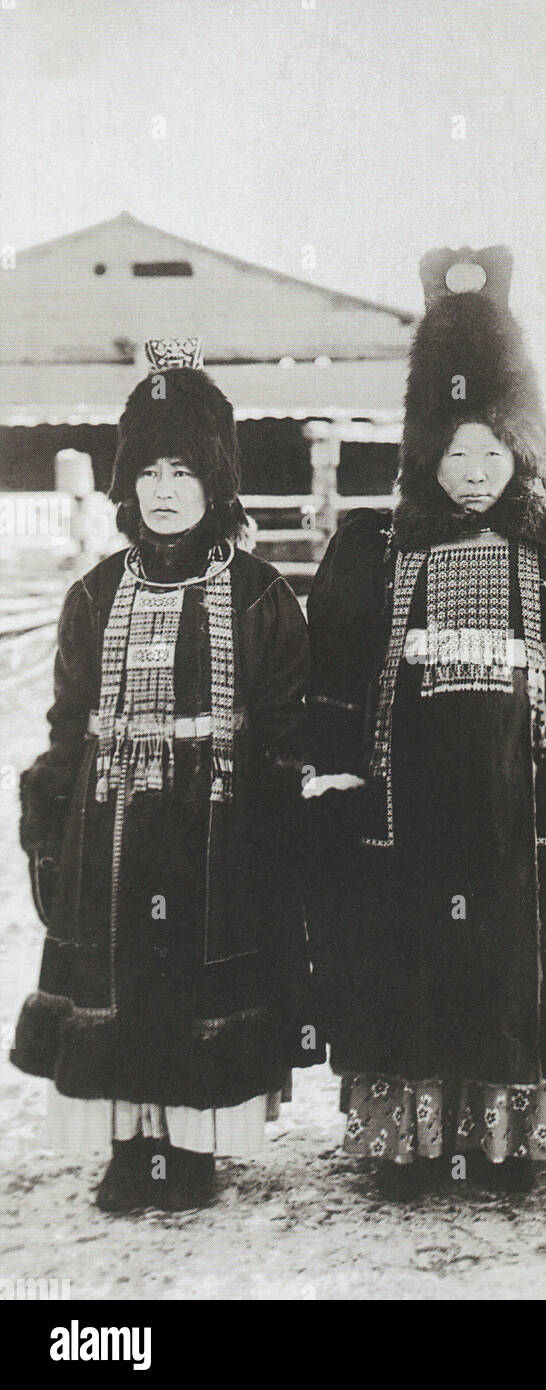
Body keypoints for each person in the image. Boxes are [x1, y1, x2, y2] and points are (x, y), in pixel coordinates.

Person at [305, 247, 546, 1199]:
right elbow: (332, 670)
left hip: (521, 808)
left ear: (523, 450)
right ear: (424, 453)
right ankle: (407, 1143)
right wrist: (331, 768)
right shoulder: (374, 546)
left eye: (493, 450)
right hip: (402, 807)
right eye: (454, 451)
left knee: (507, 965)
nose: (473, 471)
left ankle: (503, 1141)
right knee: (407, 957)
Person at [11, 339, 323, 1212]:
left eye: (183, 469)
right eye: (147, 469)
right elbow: (68, 720)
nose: (164, 489)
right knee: (118, 978)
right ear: (125, 485)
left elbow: (285, 725)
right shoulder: (95, 593)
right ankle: (127, 1144)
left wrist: (281, 824)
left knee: (195, 982)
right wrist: (49, 817)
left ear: (216, 482)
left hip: (215, 826)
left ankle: (190, 1147)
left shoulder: (262, 594)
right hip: (107, 824)